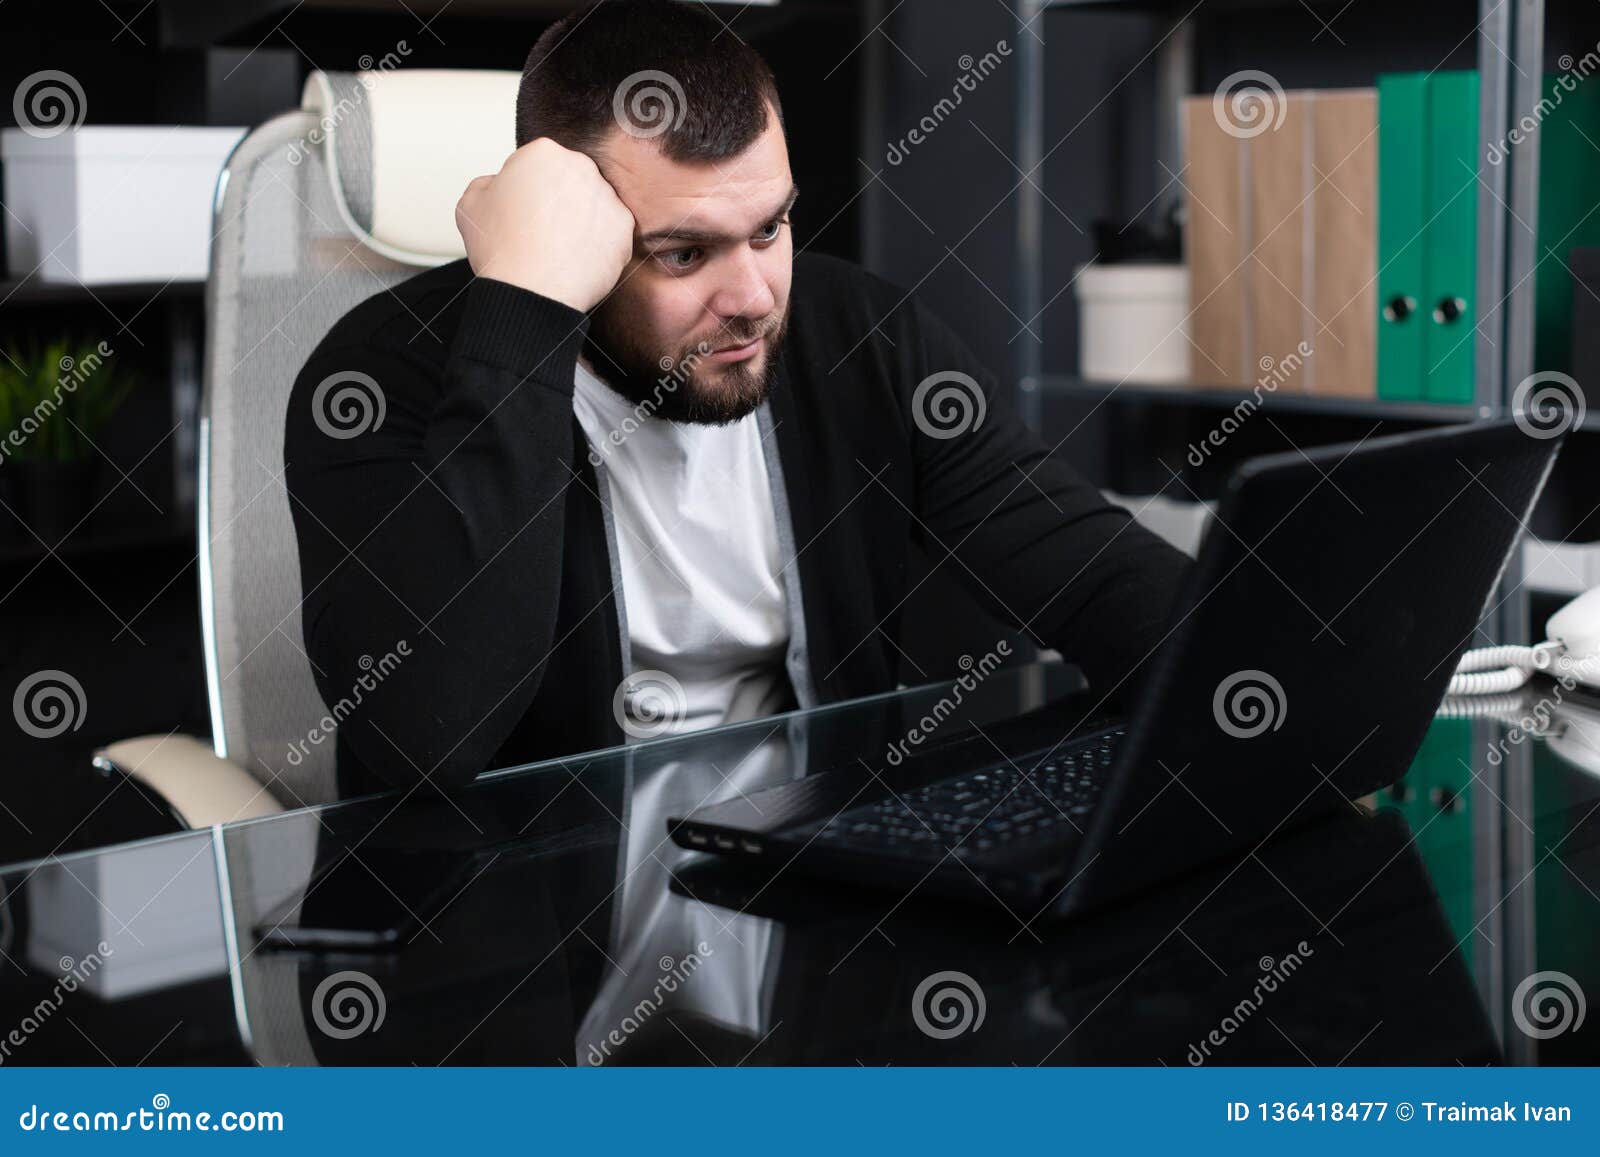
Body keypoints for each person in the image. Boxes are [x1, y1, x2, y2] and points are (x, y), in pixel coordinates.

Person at [284, 0, 1192, 799]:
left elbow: (1096, 576)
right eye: (684, 254)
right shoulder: (373, 378)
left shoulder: (861, 335)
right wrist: (526, 312)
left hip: (806, 893)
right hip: (526, 936)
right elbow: (423, 734)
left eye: (770, 227)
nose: (754, 296)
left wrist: (1276, 685)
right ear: (578, 230)